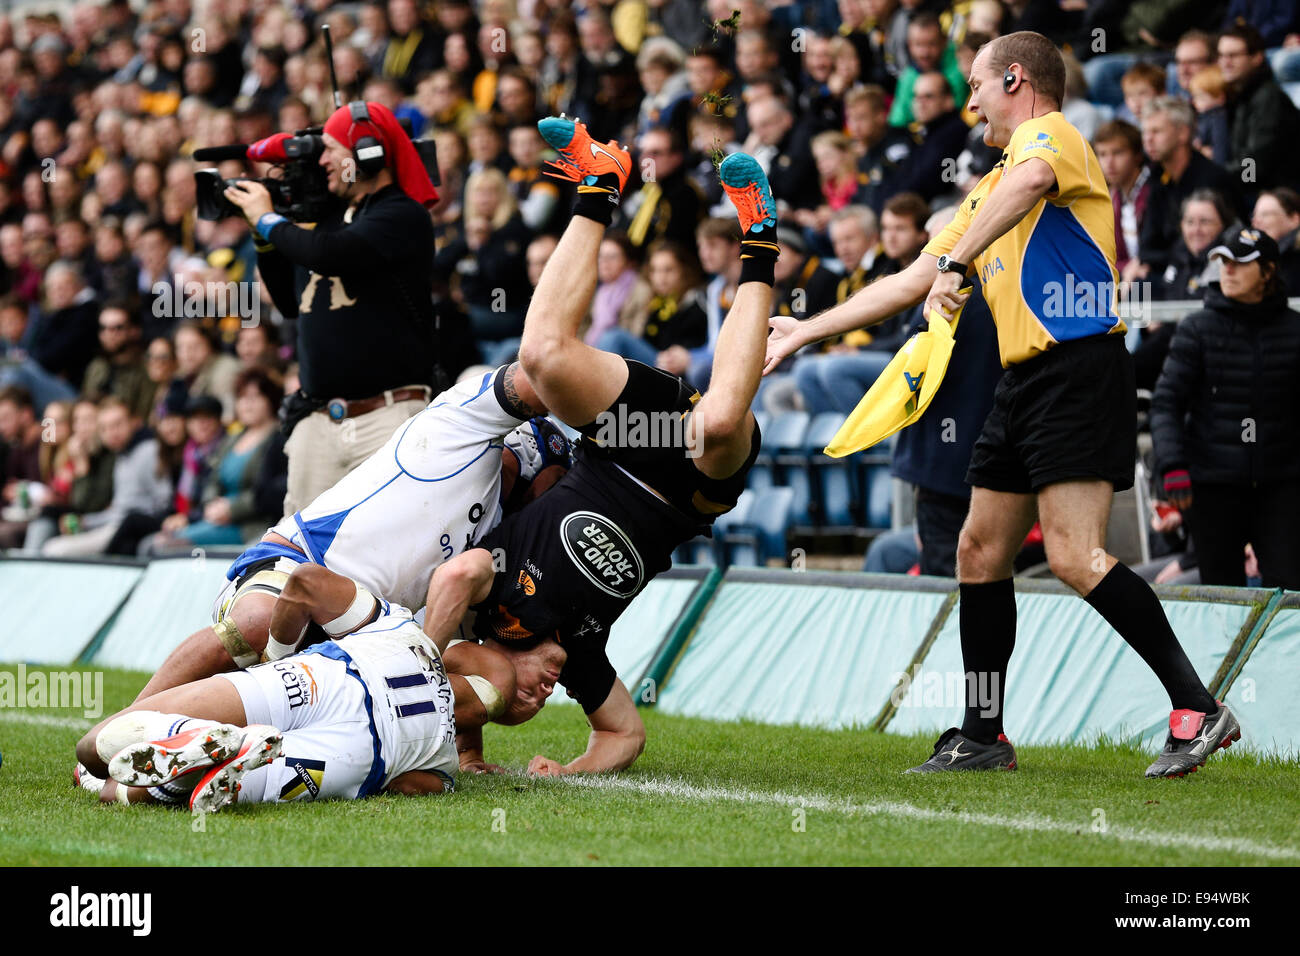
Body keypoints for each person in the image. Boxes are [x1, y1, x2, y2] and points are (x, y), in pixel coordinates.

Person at [766, 31, 1237, 779]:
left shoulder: (1050, 137)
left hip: (1078, 368)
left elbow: (1021, 193)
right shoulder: (989, 185)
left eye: (979, 85)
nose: (970, 100)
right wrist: (803, 332)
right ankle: (983, 734)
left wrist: (956, 260)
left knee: (1076, 557)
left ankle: (1198, 707)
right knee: (977, 551)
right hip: (1022, 383)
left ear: (1016, 79)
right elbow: (912, 279)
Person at [417, 117, 773, 776]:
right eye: (533, 704)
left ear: (487, 655)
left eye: (519, 691)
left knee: (542, 356)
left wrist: (421, 680)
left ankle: (600, 184)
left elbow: (456, 576)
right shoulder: (578, 654)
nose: (541, 691)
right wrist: (568, 775)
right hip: (688, 492)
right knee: (721, 422)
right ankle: (759, 238)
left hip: (624, 445)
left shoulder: (489, 591)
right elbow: (623, 737)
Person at [132, 364, 568, 702]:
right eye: (555, 485)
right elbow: (538, 372)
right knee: (256, 624)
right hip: (299, 562)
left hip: (365, 631)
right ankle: (126, 721)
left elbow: (466, 641)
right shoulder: (460, 430)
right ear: (534, 460)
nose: (550, 507)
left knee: (490, 681)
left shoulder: (500, 536)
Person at [223, 100, 441, 516]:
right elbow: (289, 303)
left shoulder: (401, 215)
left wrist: (269, 220)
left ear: (367, 152)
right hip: (318, 421)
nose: (321, 161)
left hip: (387, 417)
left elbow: (331, 253)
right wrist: (262, 235)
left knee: (386, 549)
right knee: (301, 559)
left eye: (330, 149)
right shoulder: (327, 223)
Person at [1150, 225, 1300, 589]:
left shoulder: (1295, 330)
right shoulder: (1197, 329)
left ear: (1268, 272)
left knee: (1291, 591)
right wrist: (1172, 467)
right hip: (1213, 488)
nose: (1227, 270)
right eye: (1222, 262)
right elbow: (1165, 402)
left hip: (1282, 487)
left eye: (1239, 262)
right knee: (1222, 595)